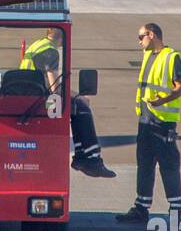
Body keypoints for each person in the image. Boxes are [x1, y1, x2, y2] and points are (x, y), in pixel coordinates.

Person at [20, 28, 115, 178]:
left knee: (74, 104)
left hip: (25, 98)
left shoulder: (37, 44)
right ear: (63, 36)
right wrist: (78, 96)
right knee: (81, 108)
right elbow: (55, 87)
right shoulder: (50, 51)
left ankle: (81, 156)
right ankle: (90, 159)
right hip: (39, 103)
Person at [117, 22, 181, 221]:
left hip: (163, 122)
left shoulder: (171, 57)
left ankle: (176, 210)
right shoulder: (148, 56)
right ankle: (141, 207)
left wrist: (161, 101)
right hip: (146, 121)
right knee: (144, 163)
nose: (139, 42)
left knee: (168, 165)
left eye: (141, 37)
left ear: (152, 34)